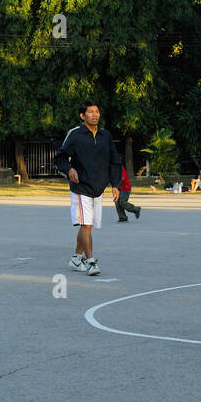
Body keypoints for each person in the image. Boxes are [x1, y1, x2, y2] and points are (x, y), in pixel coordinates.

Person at [55, 100, 122, 277]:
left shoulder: (105, 136)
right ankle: (91, 262)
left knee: (88, 227)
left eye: (97, 111)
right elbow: (60, 158)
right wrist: (69, 169)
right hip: (80, 187)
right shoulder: (76, 135)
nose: (95, 115)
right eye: (91, 112)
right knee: (86, 224)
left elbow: (115, 162)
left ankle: (76, 258)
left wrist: (116, 185)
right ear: (82, 116)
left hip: (98, 188)